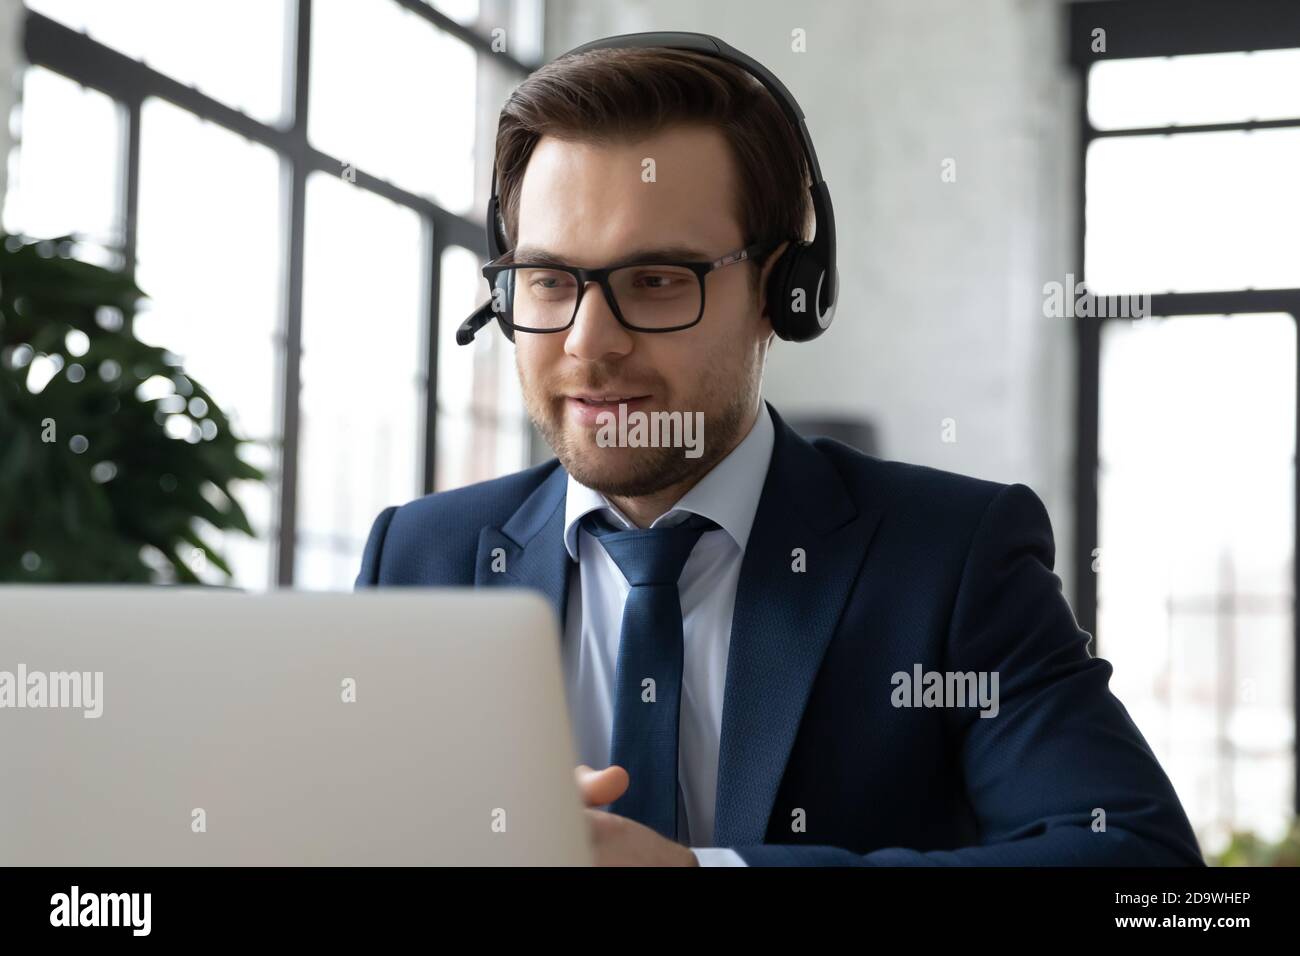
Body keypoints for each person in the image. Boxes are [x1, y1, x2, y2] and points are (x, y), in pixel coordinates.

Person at [356, 34, 1202, 868]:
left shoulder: (951, 560)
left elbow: (1144, 871)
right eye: (549, 280)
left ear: (784, 293)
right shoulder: (419, 557)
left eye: (656, 280)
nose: (588, 342)